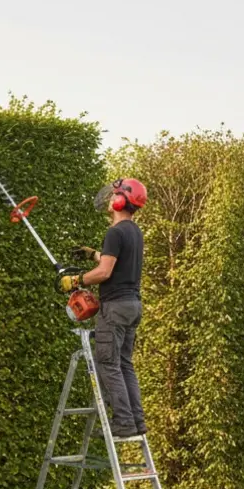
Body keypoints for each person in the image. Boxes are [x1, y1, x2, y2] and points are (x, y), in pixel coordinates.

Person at [60, 178, 149, 438]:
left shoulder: (114, 232)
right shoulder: (134, 232)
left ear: (121, 200)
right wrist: (93, 254)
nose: (110, 199)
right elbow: (112, 262)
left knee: (107, 363)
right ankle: (136, 420)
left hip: (115, 308)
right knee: (124, 363)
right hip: (132, 306)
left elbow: (104, 272)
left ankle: (122, 422)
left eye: (114, 195)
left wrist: (76, 281)